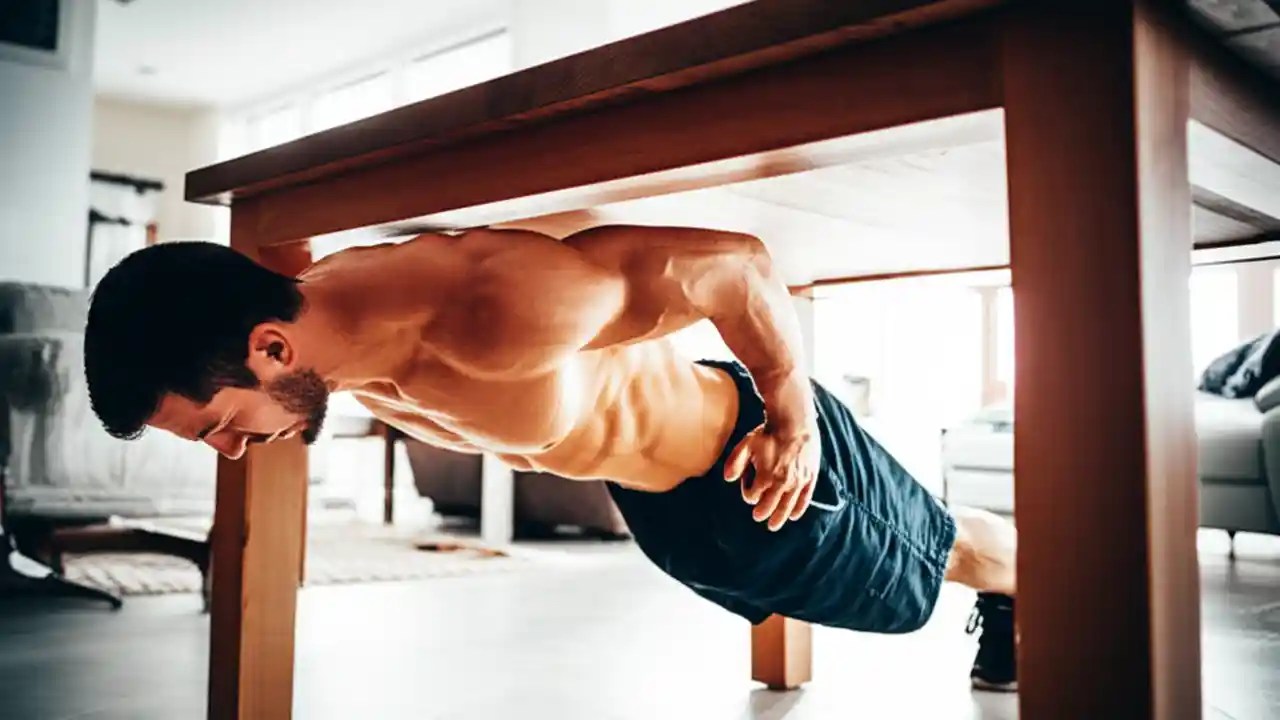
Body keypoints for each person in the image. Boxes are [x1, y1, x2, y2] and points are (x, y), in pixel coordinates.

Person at [83, 225, 1018, 691]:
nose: (235, 452)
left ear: (271, 350)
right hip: (661, 509)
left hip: (758, 470)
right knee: (898, 582)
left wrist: (794, 416)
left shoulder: (499, 307)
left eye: (219, 426)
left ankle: (1085, 590)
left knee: (944, 558)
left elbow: (738, 267)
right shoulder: (319, 334)